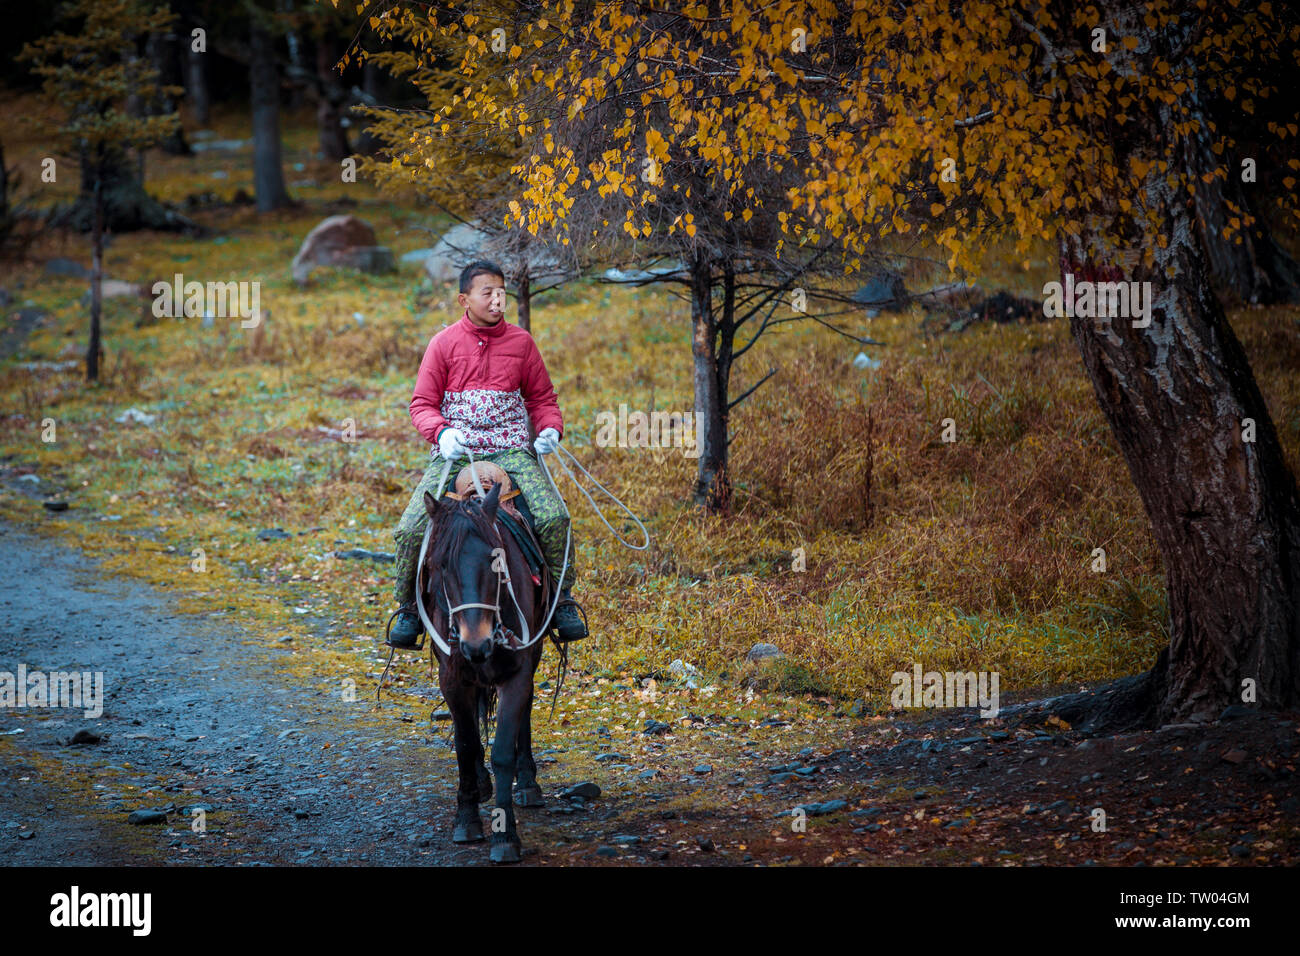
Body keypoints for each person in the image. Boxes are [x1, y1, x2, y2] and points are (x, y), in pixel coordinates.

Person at [386, 259, 588, 648]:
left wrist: (549, 428)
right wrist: (441, 432)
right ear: (465, 299)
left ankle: (562, 600)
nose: (498, 300)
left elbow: (542, 398)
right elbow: (421, 404)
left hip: (511, 450)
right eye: (488, 293)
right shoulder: (442, 344)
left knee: (554, 517)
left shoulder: (522, 343)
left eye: (502, 292)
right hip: (456, 454)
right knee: (409, 529)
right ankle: (409, 608)